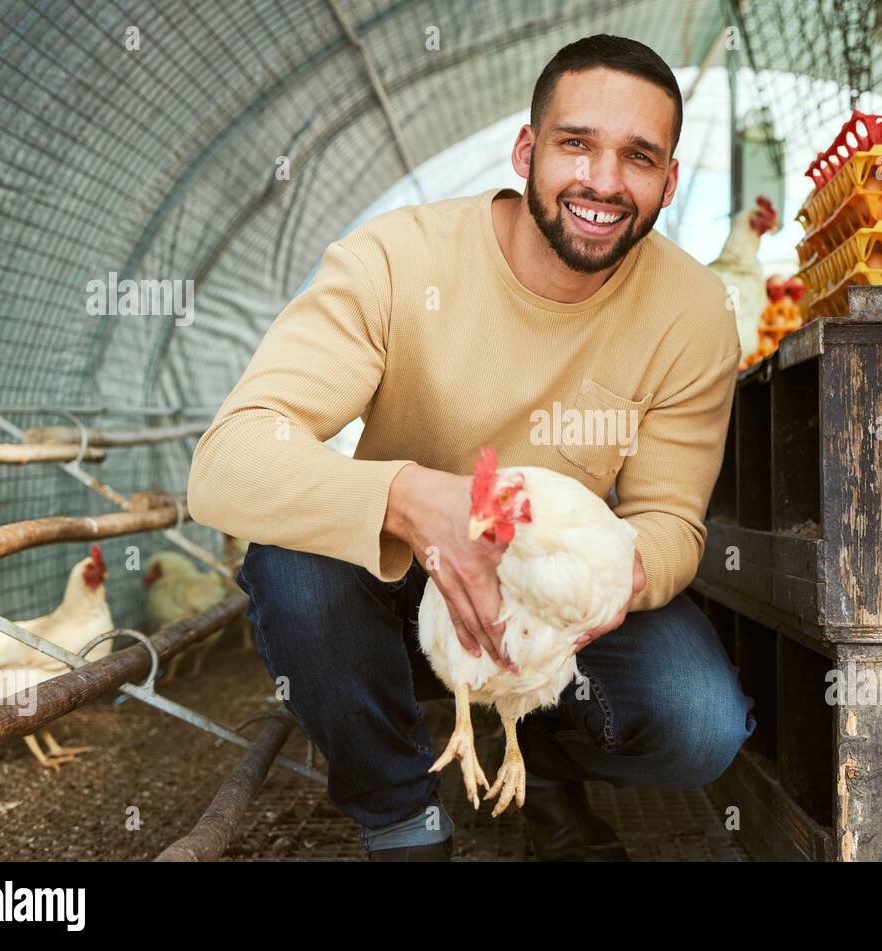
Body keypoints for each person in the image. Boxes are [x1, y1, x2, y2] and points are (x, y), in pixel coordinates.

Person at [189, 33, 756, 861]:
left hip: (550, 593)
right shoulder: (395, 259)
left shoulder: (694, 310)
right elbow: (229, 457)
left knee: (699, 721)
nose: (603, 181)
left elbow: (670, 521)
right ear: (526, 150)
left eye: (639, 157)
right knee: (291, 564)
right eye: (575, 145)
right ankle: (401, 815)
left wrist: (597, 578)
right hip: (397, 578)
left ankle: (546, 768)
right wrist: (412, 501)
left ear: (669, 182)